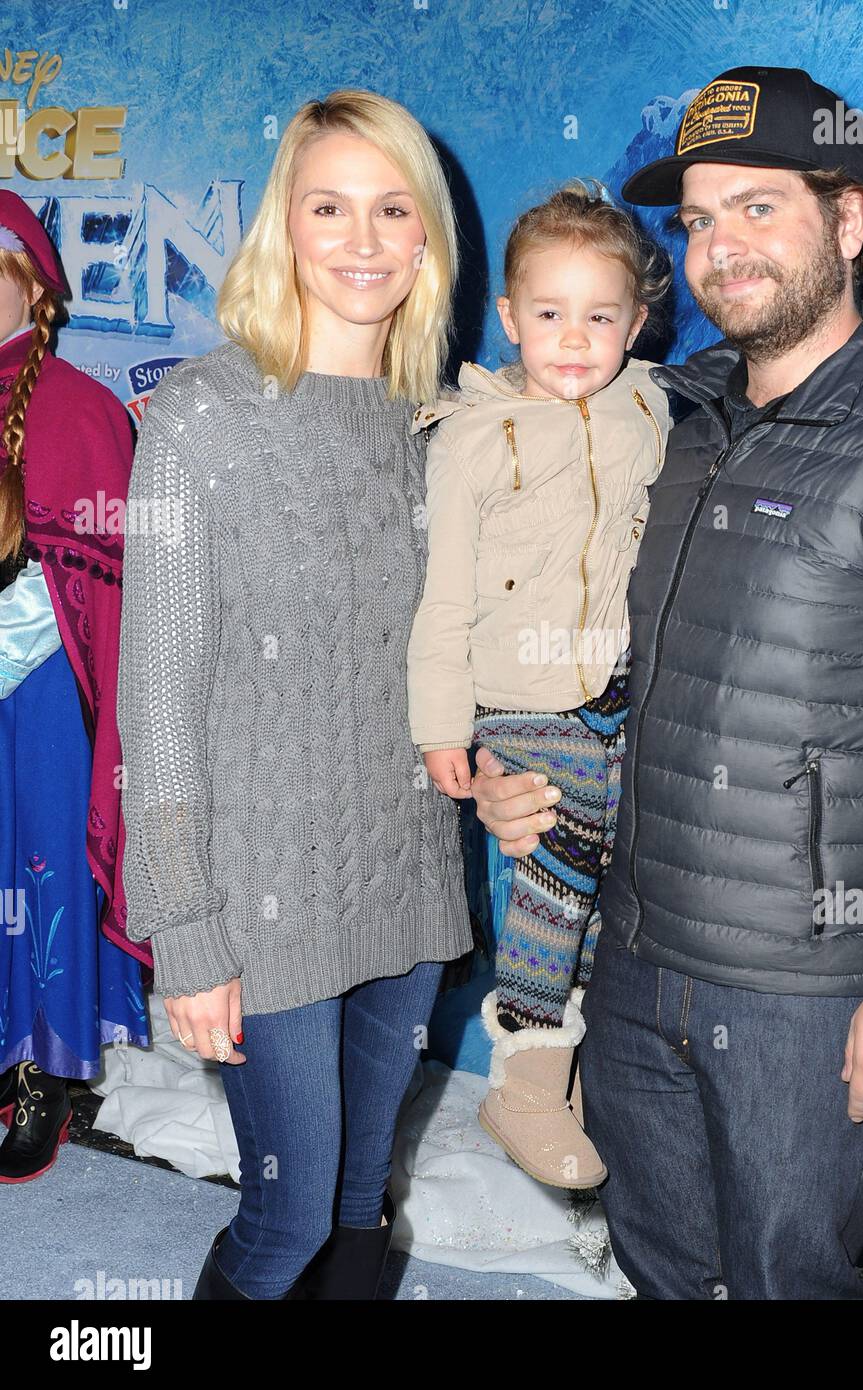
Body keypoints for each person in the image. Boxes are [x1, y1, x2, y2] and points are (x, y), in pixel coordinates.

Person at [469, 65, 863, 1299]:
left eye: (757, 208)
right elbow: (568, 639)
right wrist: (514, 768)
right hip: (633, 960)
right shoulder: (663, 427)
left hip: (813, 993)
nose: (717, 248)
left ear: (850, 222)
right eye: (694, 220)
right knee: (665, 1270)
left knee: (792, 1281)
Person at [116, 90, 473, 1300]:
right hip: (255, 902)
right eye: (330, 206)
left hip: (409, 875)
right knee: (288, 1217)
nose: (363, 239)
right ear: (285, 224)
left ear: (427, 235)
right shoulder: (201, 417)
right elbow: (154, 700)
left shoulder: (443, 426)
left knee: (362, 1194)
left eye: (391, 208)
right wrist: (187, 928)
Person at [406, 178, 671, 1189]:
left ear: (636, 323)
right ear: (510, 316)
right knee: (567, 836)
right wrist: (443, 736)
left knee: (601, 875)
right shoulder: (471, 435)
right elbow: (441, 601)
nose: (573, 338)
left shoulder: (648, 404)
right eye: (548, 314)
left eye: (599, 317)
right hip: (513, 694)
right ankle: (523, 1065)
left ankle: (564, 1069)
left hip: (615, 680)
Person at [0, 191, 150, 1185]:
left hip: (45, 698)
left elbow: (114, 589)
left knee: (39, 867)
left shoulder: (83, 409)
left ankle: (41, 1065)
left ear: (34, 285)